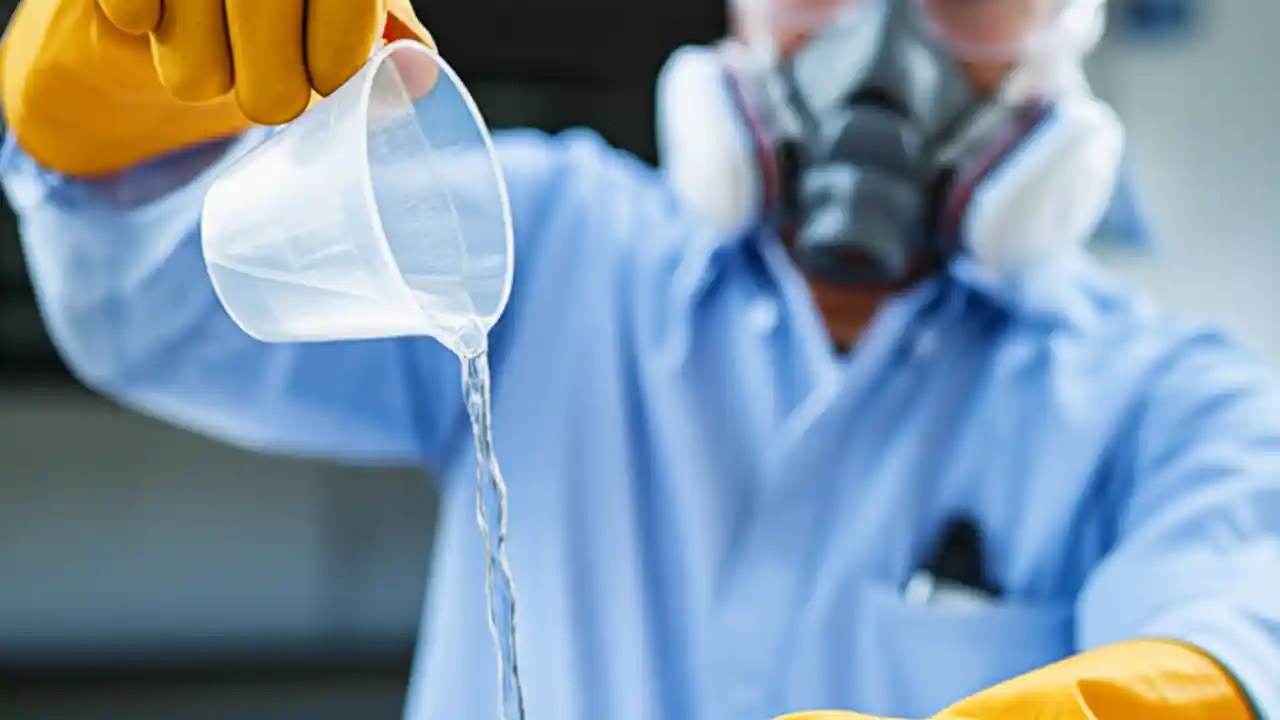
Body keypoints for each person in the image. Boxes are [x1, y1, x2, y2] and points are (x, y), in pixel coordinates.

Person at [1, 0, 1277, 718]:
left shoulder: (1171, 412)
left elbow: (1236, 634)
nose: (883, 37)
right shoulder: (543, 244)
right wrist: (111, 109)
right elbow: (152, 311)